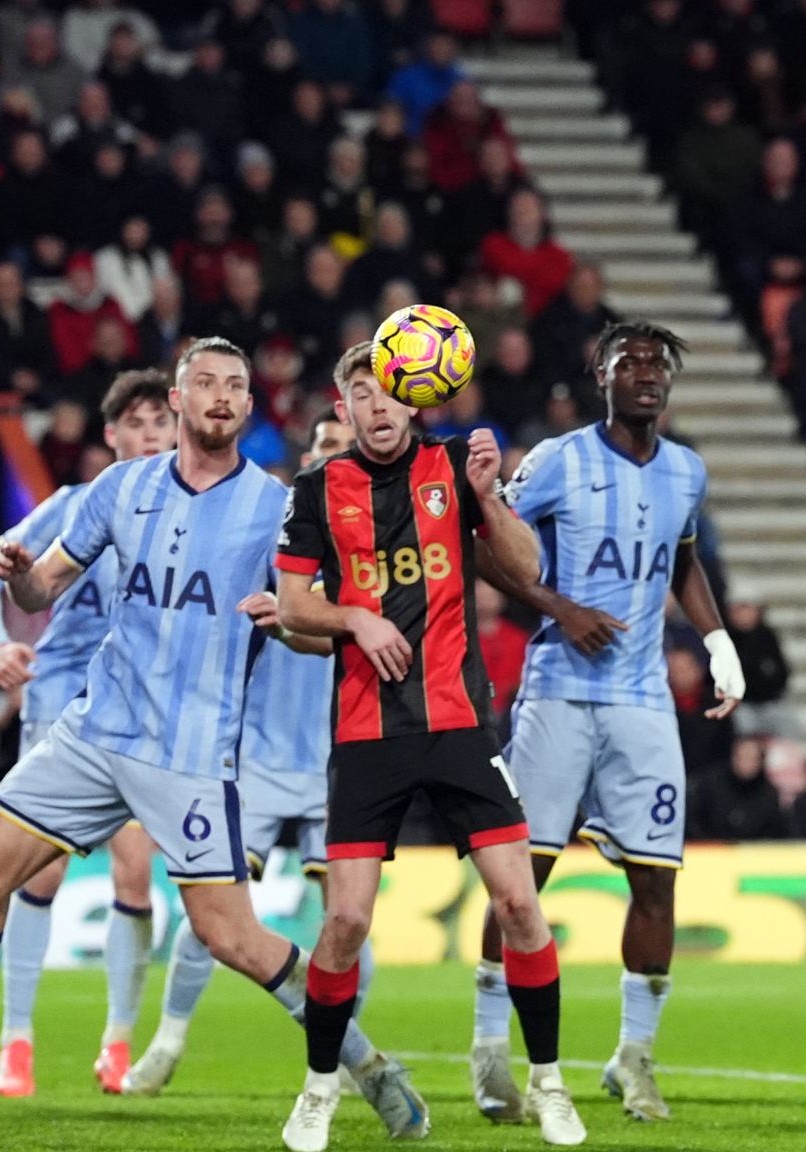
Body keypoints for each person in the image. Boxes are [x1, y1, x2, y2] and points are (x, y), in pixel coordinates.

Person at [0, 340, 428, 1140]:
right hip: (94, 731)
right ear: (180, 400)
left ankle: (367, 1063)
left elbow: (316, 633)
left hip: (190, 755)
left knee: (233, 939)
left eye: (236, 387)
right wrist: (16, 577)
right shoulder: (122, 486)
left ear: (249, 409)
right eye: (206, 383)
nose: (221, 396)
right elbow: (47, 583)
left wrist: (293, 621)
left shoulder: (277, 507)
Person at [275, 342, 587, 1149]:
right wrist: (356, 617)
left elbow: (523, 567)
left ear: (416, 399)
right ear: (342, 411)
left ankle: (550, 1082)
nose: (377, 409)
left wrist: (491, 498)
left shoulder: (454, 468)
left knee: (520, 904)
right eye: (360, 397)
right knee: (343, 922)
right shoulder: (316, 490)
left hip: (458, 725)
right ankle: (318, 1091)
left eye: (390, 394)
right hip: (365, 732)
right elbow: (291, 605)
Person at [470, 322, 743, 1125]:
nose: (648, 375)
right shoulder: (558, 460)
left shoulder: (686, 471)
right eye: (632, 363)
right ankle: (490, 1050)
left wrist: (718, 640)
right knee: (524, 883)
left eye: (660, 365)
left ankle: (634, 1057)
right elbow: (490, 543)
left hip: (642, 700)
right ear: (602, 376)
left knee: (657, 881)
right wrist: (559, 607)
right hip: (556, 692)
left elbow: (683, 559)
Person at [122, 413, 361, 1096]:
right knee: (213, 916)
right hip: (252, 759)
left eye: (342, 450)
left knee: (347, 921)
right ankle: (167, 1042)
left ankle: (340, 1055)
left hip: (339, 763)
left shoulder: (373, 552)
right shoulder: (271, 537)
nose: (331, 460)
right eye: (322, 449)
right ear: (308, 464)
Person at [0, 371, 177, 1098]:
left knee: (134, 874)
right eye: (136, 424)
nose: (150, 435)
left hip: (142, 709)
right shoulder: (77, 505)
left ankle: (117, 1042)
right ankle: (15, 1038)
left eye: (160, 423)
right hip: (60, 698)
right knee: (39, 871)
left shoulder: (194, 512)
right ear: (110, 436)